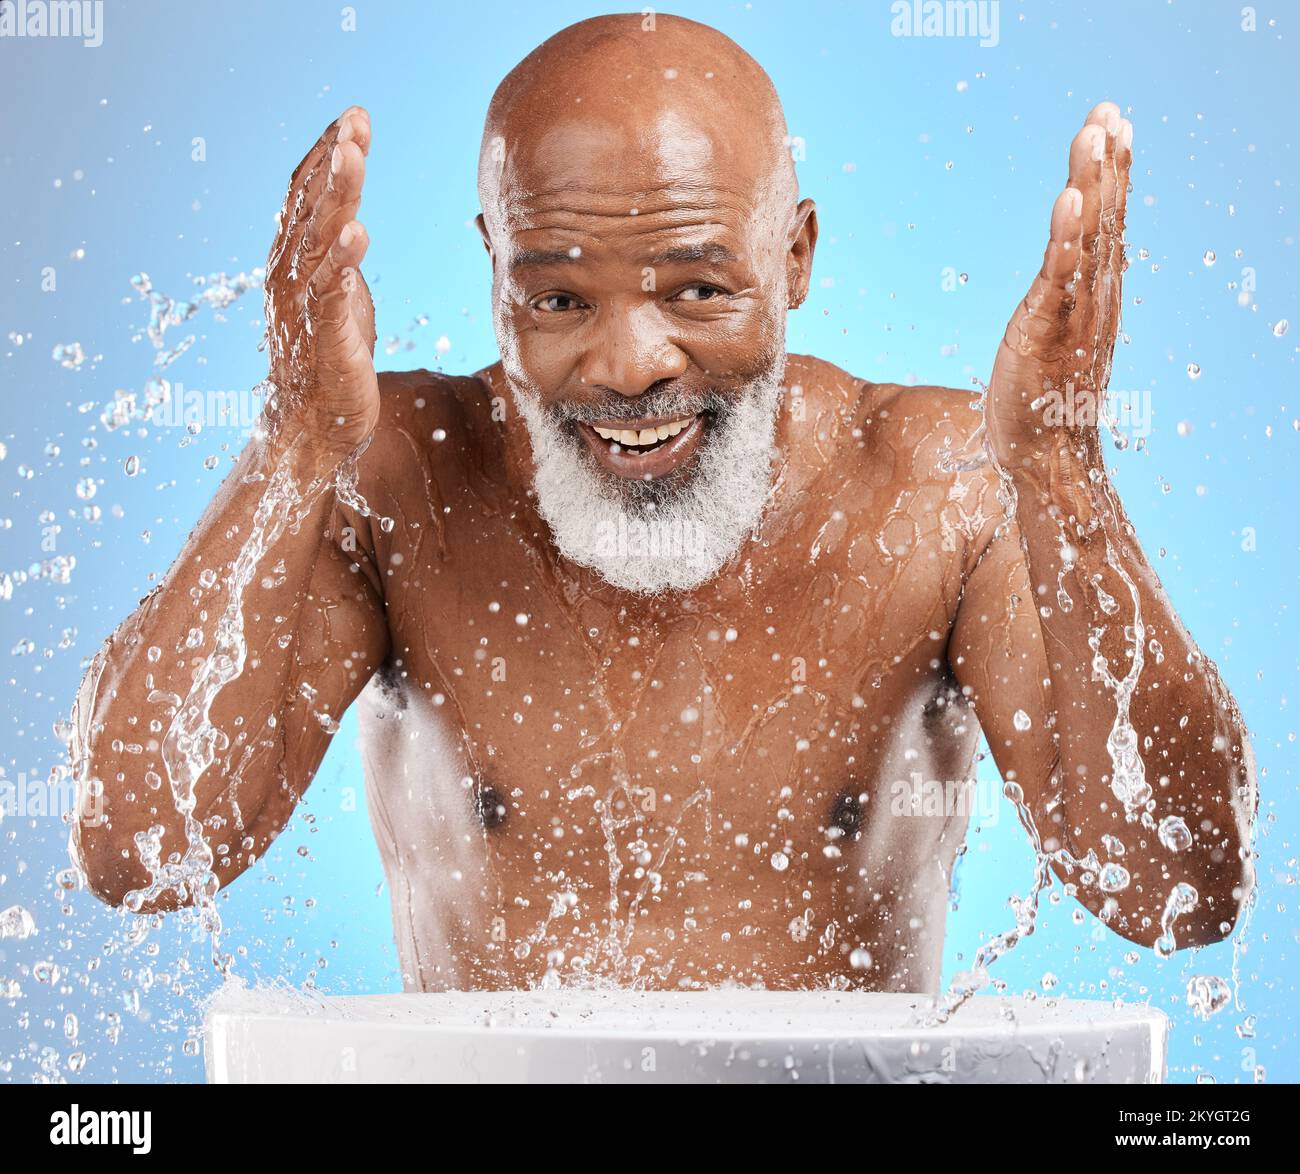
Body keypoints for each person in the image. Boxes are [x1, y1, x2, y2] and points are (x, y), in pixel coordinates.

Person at [70, 13, 1255, 993]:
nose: (631, 364)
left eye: (695, 286)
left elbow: (1174, 885)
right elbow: (140, 847)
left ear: (793, 258)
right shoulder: (395, 478)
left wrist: (1060, 468)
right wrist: (291, 443)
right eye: (558, 302)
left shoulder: (941, 490)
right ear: (493, 268)